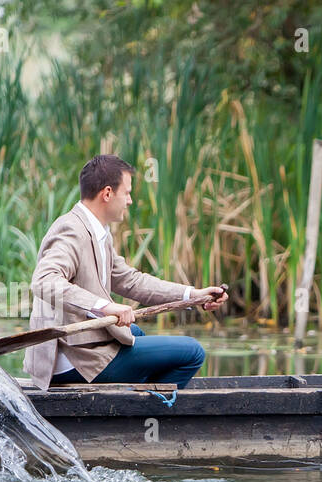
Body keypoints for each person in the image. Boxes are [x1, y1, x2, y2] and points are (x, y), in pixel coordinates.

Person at [25, 154, 229, 390]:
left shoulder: (98, 232)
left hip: (85, 347)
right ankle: (142, 414)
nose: (130, 201)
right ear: (108, 193)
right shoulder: (71, 230)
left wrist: (192, 295)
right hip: (73, 360)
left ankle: (131, 399)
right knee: (192, 352)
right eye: (127, 193)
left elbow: (131, 281)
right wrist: (105, 307)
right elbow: (44, 282)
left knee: (135, 333)